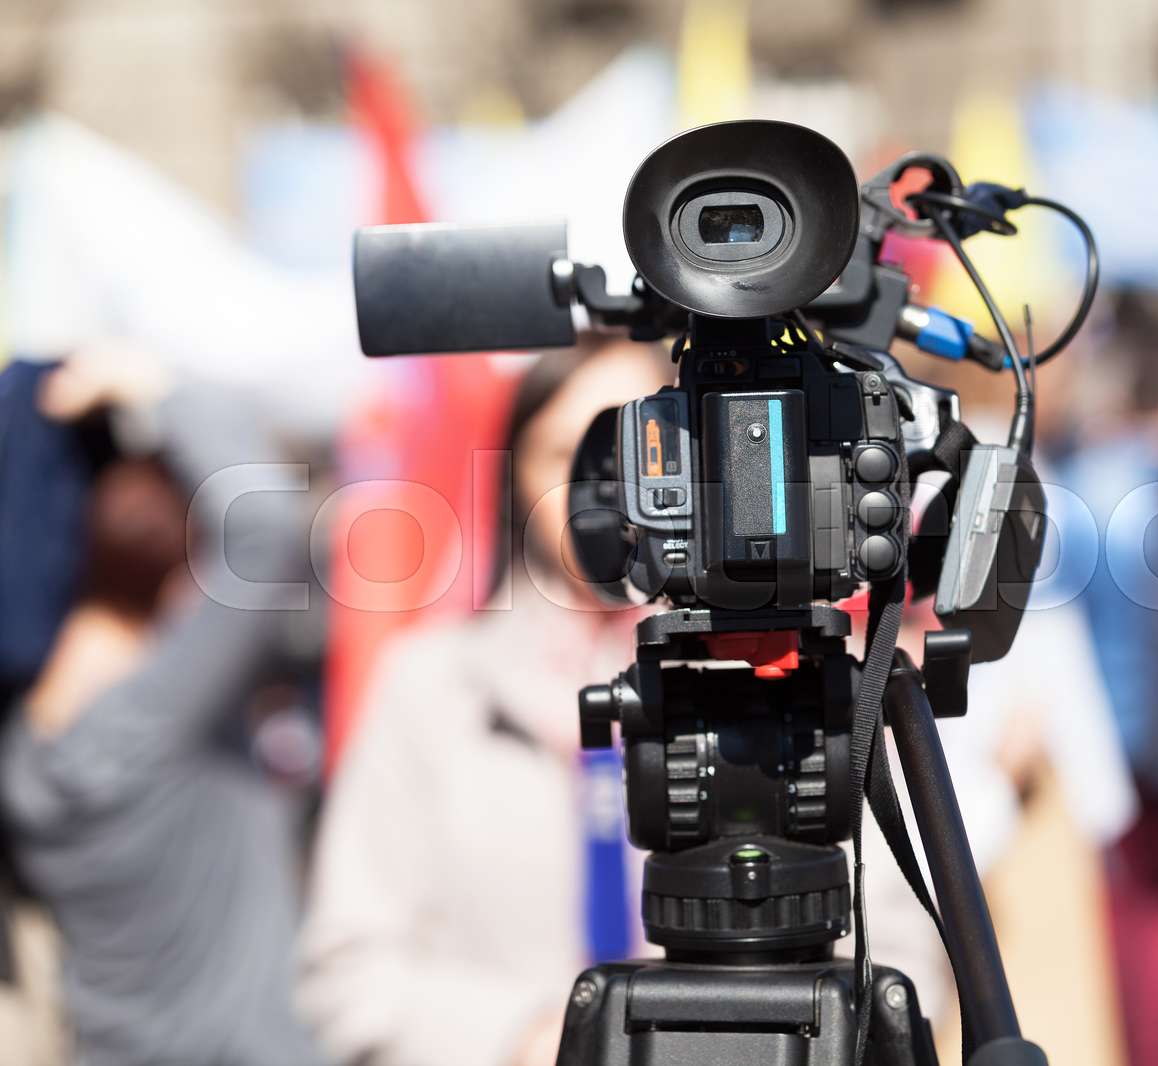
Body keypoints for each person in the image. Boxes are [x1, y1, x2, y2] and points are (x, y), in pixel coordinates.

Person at [297, 341, 673, 1066]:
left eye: (635, 449)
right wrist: (527, 1040)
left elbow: (893, 948)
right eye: (563, 452)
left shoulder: (772, 674)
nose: (598, 487)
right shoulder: (431, 685)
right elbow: (347, 971)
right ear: (516, 477)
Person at [0, 349, 323, 1065]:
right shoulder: (153, 715)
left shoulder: (22, 747)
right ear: (177, 569)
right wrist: (158, 386)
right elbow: (266, 528)